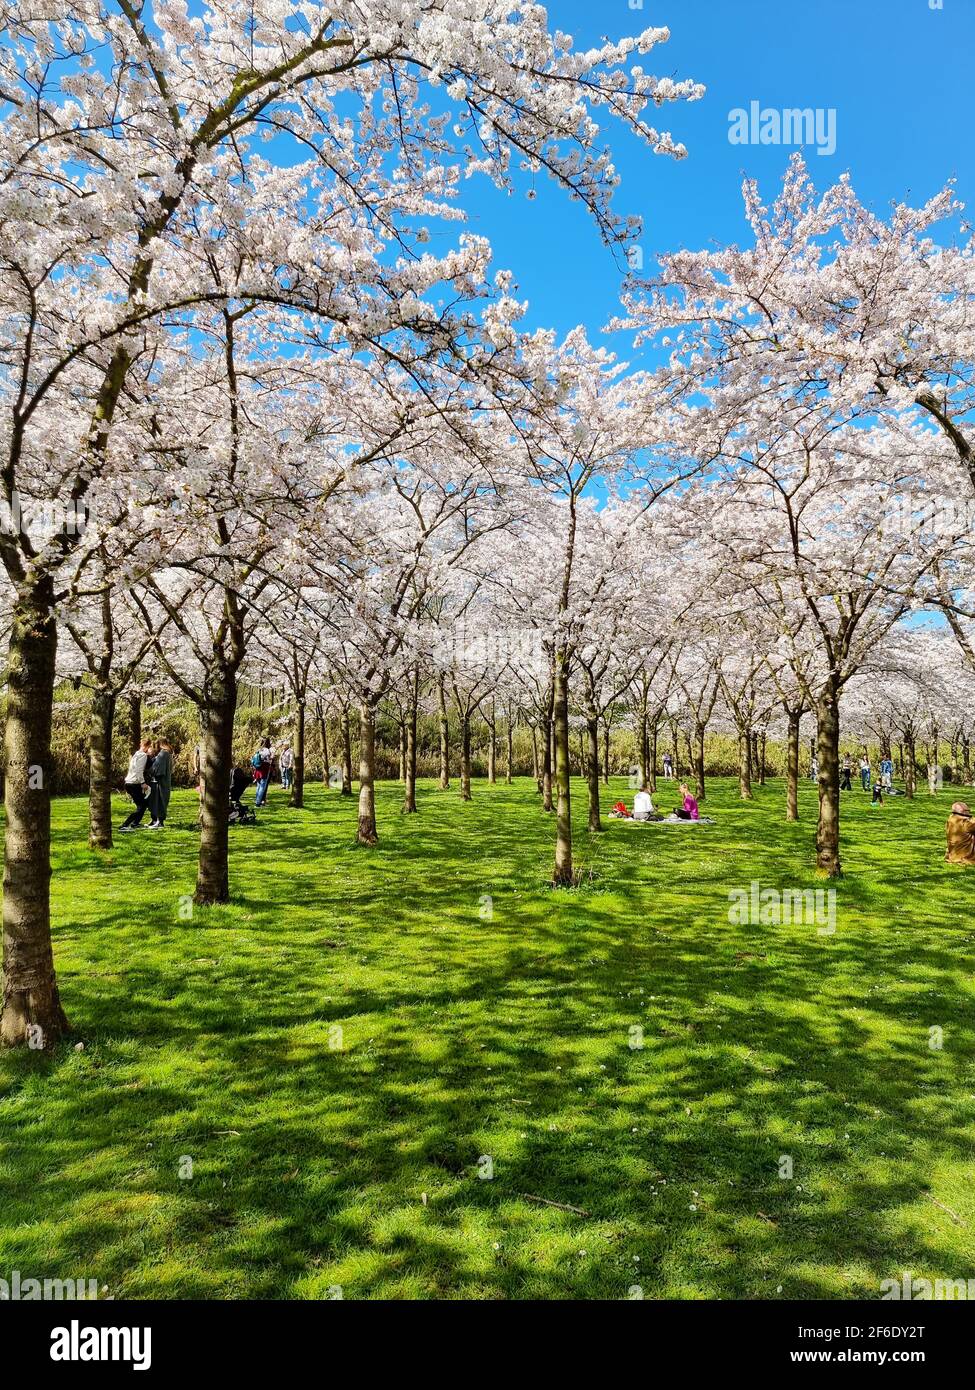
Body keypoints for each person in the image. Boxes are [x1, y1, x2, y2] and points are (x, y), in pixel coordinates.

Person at [120, 738, 154, 831]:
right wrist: (143, 783)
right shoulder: (143, 755)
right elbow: (139, 770)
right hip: (134, 783)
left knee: (143, 804)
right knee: (141, 806)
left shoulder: (136, 754)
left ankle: (135, 823)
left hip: (129, 782)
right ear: (148, 746)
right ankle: (125, 825)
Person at [148, 737, 173, 829]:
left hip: (161, 781)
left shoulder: (163, 754)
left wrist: (150, 770)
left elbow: (158, 769)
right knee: (157, 800)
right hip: (163, 780)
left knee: (160, 800)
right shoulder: (167, 753)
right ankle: (155, 820)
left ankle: (160, 821)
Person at [253, 737, 273, 808]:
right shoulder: (267, 750)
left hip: (258, 769)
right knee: (262, 786)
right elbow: (269, 758)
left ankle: (257, 801)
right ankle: (258, 803)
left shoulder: (258, 749)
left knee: (258, 786)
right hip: (264, 769)